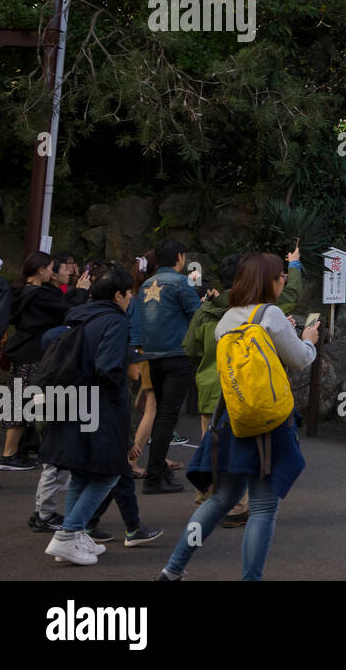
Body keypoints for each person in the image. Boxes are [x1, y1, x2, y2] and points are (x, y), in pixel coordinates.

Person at [157, 253, 318, 581]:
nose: (283, 280)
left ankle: (173, 569)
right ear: (267, 281)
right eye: (279, 276)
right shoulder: (271, 313)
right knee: (262, 509)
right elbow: (300, 359)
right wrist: (309, 340)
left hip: (232, 418)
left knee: (219, 500)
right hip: (268, 421)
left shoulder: (227, 319)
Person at [182, 246, 303, 523]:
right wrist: (294, 266)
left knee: (212, 444)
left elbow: (189, 347)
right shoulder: (260, 310)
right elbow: (293, 298)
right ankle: (238, 509)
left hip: (211, 387)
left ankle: (209, 495)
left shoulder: (206, 310)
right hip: (246, 392)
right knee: (247, 454)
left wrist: (206, 365)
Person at [40, 264, 135, 566]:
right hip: (102, 406)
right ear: (119, 295)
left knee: (82, 470)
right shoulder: (115, 322)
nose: (131, 299)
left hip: (75, 402)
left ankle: (76, 531)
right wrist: (123, 384)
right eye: (130, 293)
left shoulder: (81, 316)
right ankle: (67, 535)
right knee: (109, 471)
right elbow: (109, 368)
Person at [0, 252, 89, 470]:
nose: (52, 271)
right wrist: (81, 292)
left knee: (18, 401)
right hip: (34, 352)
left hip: (21, 350)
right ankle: (10, 454)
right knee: (29, 404)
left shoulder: (20, 290)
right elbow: (64, 309)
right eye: (50, 267)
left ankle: (12, 452)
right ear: (40, 270)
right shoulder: (38, 294)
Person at [128, 239, 201, 493]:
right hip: (177, 355)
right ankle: (155, 476)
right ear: (180, 257)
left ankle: (157, 472)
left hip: (153, 356)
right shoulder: (181, 283)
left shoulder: (147, 283)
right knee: (167, 416)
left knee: (162, 414)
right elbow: (197, 315)